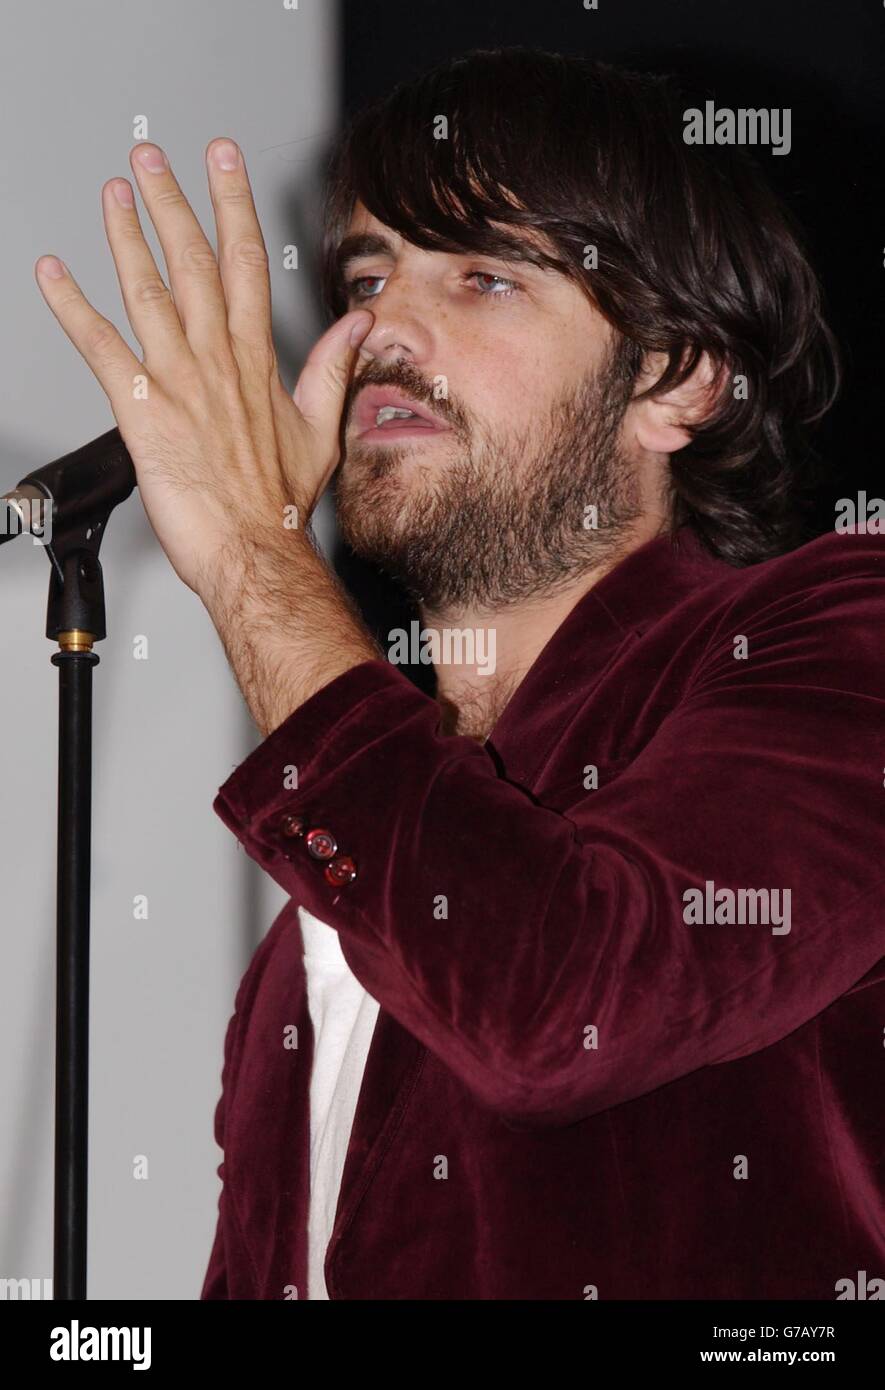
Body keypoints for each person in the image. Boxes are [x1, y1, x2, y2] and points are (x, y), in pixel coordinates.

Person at [34, 48, 885, 1301]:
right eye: (367, 277)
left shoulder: (840, 630)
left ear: (677, 379)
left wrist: (257, 564)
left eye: (484, 275)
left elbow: (562, 1004)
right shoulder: (324, 912)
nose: (381, 334)